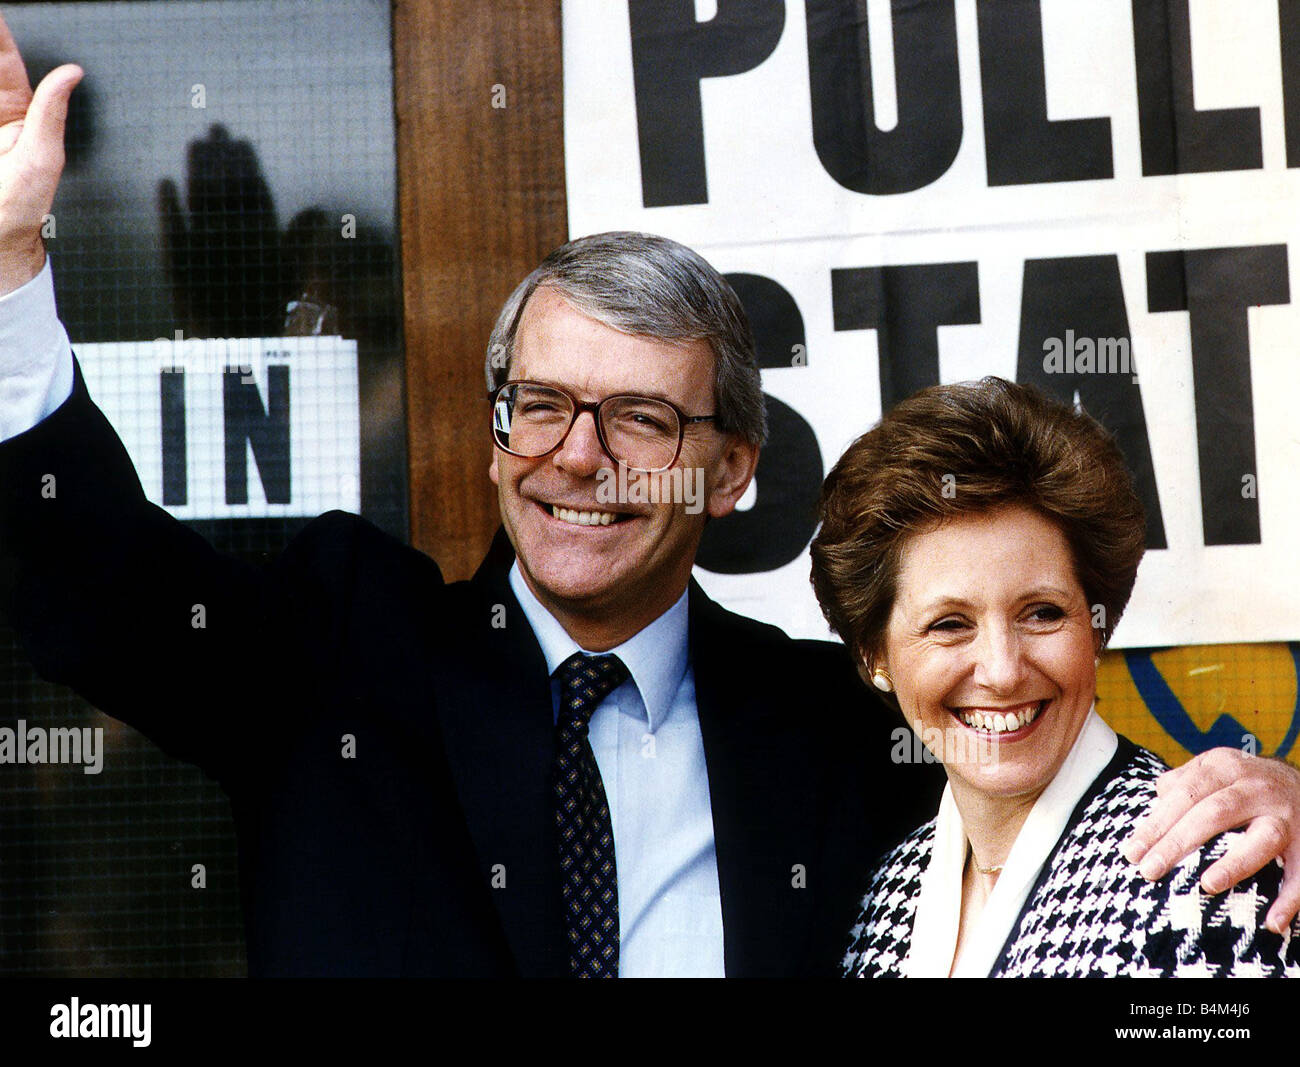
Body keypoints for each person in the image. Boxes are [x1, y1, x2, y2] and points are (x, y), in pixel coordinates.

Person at [0, 17, 1297, 977]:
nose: (578, 456)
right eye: (546, 406)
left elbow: (1075, 831)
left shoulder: (844, 737)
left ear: (732, 467)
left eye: (639, 418)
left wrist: (1274, 809)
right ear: (501, 436)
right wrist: (11, 270)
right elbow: (102, 586)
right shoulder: (337, 649)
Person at [810, 378, 1300, 976]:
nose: (1002, 670)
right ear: (873, 657)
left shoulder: (1215, 871)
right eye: (949, 624)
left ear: (1095, 627)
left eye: (1042, 613)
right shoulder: (884, 898)